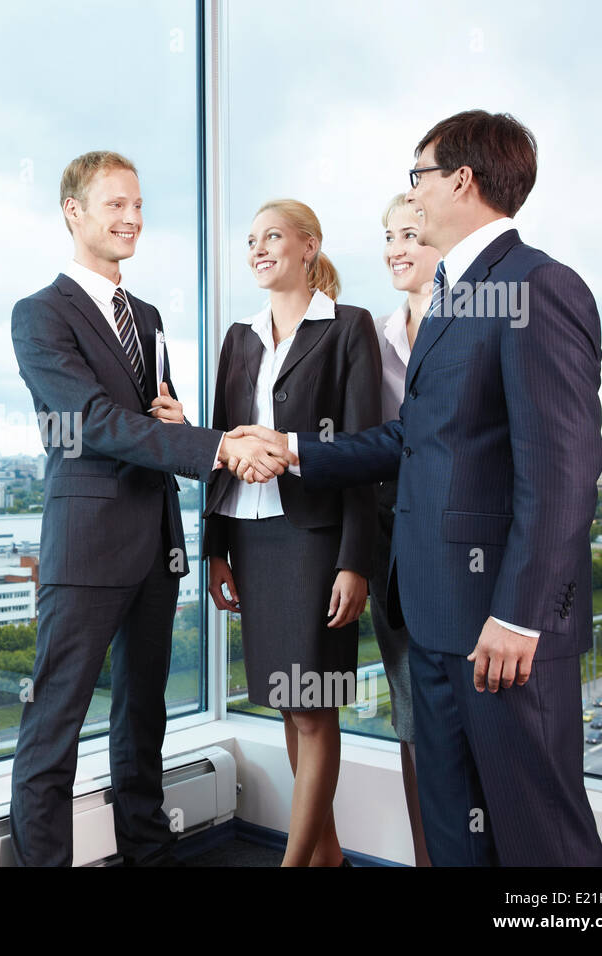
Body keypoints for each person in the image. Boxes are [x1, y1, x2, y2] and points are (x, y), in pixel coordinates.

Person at [238, 111, 602, 866]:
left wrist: (521, 616)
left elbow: (565, 470)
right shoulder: (456, 295)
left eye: (420, 177)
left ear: (460, 181)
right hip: (434, 619)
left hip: (501, 634)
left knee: (542, 840)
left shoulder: (538, 284)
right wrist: (296, 450)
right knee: (454, 829)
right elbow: (415, 438)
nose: (413, 195)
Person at [8, 150, 292, 867]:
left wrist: (183, 426)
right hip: (87, 544)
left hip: (156, 543)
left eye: (138, 205)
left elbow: (154, 425)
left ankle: (147, 851)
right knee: (55, 724)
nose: (133, 218)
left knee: (144, 716)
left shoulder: (150, 315)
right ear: (73, 212)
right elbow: (96, 422)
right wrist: (218, 446)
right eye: (115, 205)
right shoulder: (40, 315)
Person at [202, 199, 380, 867]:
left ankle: (293, 865)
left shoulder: (348, 327)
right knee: (286, 702)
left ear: (309, 246)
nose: (257, 249)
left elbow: (362, 452)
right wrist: (216, 548)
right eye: (251, 241)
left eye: (272, 236)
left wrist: (354, 559)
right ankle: (327, 856)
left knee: (315, 709)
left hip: (315, 540)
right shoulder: (239, 336)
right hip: (251, 537)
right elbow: (223, 441)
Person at [370, 193, 438, 866]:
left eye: (410, 234)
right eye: (388, 235)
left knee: (473, 733)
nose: (394, 247)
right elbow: (361, 445)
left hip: (462, 564)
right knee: (412, 724)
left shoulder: (476, 323)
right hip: (392, 560)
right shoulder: (375, 336)